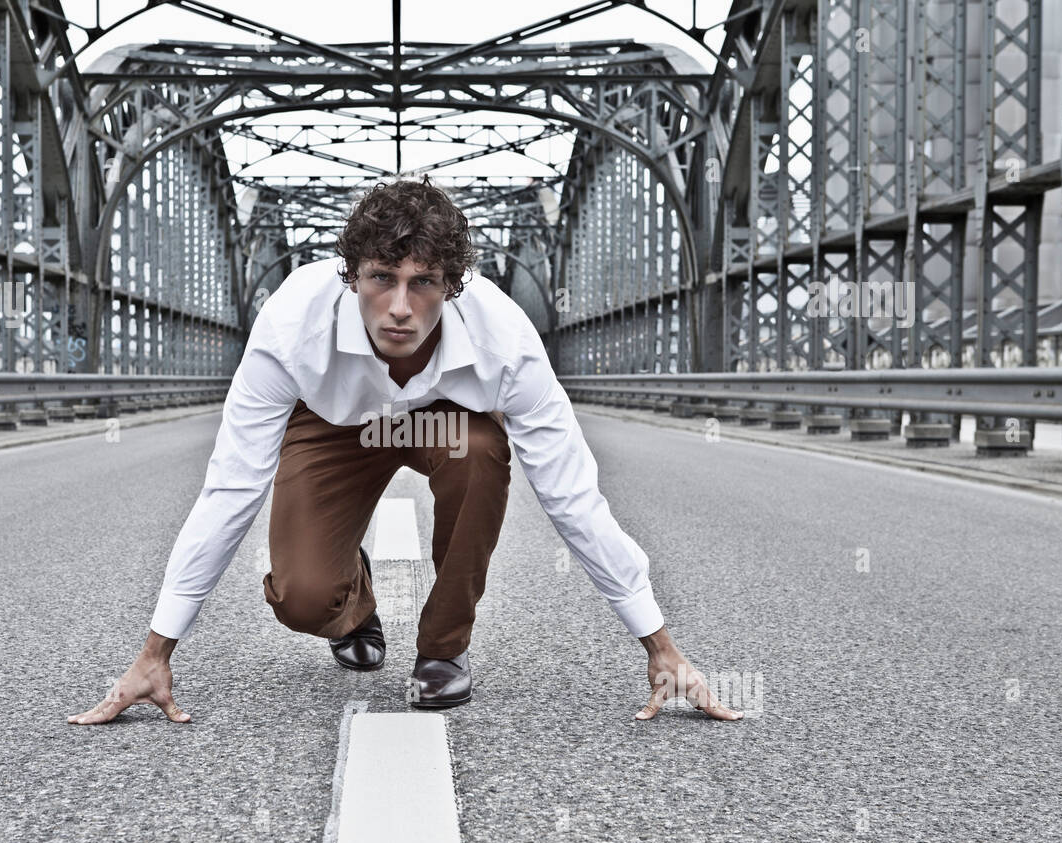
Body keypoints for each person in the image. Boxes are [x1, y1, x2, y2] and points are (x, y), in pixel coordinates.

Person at [68, 176, 741, 724]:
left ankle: (443, 653)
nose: (399, 305)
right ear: (350, 277)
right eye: (381, 278)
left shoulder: (505, 344)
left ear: (452, 286)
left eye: (423, 282)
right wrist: (157, 649)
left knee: (481, 450)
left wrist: (660, 645)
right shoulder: (289, 329)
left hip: (441, 424)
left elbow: (572, 496)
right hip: (332, 424)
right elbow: (230, 489)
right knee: (302, 596)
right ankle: (350, 597)